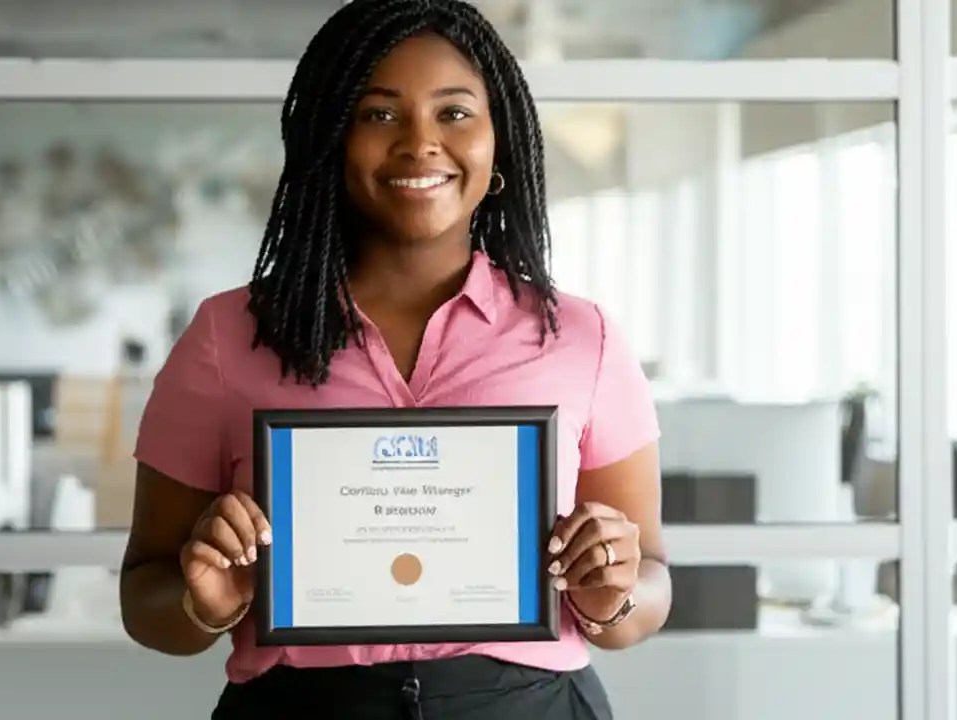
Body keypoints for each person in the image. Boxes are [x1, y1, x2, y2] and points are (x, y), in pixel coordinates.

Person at [119, 1, 670, 717]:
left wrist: (613, 593)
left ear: (498, 140)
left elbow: (649, 587)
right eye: (379, 114)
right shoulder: (228, 335)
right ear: (331, 138)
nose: (420, 144)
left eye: (455, 113)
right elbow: (143, 597)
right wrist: (207, 603)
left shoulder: (581, 337)